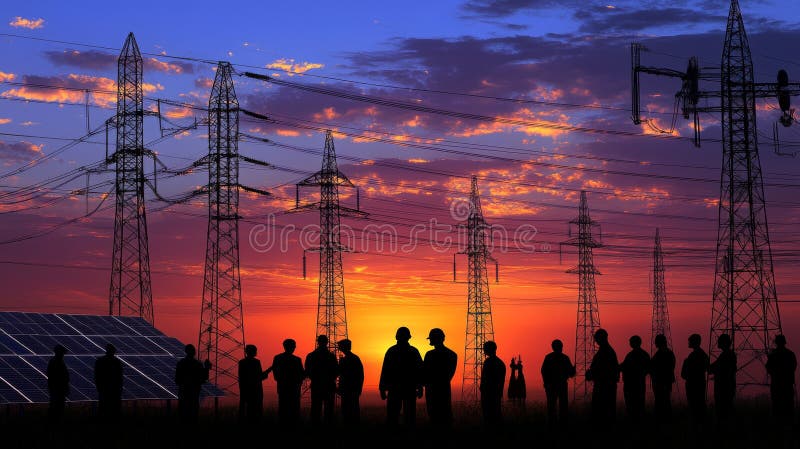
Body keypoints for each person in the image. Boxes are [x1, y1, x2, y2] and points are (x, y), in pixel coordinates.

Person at [379, 326, 423, 428]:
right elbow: (420, 371)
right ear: (409, 337)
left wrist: (382, 388)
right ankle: (408, 436)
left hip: (396, 388)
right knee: (409, 416)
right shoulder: (413, 351)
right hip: (408, 388)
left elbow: (385, 370)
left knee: (393, 416)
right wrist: (420, 387)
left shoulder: (391, 351)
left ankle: (395, 436)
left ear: (397, 337)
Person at [422, 328, 457, 430]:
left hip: (432, 389)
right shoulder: (452, 355)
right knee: (445, 413)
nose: (430, 340)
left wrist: (423, 384)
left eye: (431, 338)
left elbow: (425, 373)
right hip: (444, 388)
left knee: (434, 415)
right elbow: (449, 375)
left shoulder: (429, 355)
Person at [586, 328, 619, 429]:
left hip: (604, 387)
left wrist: (591, 374)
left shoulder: (606, 352)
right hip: (606, 386)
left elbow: (603, 370)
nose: (595, 340)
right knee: (606, 411)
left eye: (597, 338)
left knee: (602, 411)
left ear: (601, 338)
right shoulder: (607, 351)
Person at [540, 339, 575, 429]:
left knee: (551, 407)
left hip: (551, 386)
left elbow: (543, 371)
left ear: (553, 347)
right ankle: (563, 426)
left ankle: (552, 426)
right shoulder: (565, 358)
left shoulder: (548, 358)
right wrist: (573, 370)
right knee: (563, 406)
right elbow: (571, 373)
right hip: (562, 385)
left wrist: (546, 383)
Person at [305, 335, 338, 427]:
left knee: (316, 408)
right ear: (327, 342)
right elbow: (336, 370)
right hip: (329, 386)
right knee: (329, 410)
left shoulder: (311, 356)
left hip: (317, 385)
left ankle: (315, 428)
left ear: (318, 342)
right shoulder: (331, 356)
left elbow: (307, 371)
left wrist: (315, 378)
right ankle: (328, 428)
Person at [271, 338, 305, 429]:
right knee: (294, 409)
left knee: (283, 408)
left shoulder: (277, 358)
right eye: (294, 346)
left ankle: (283, 426)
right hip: (294, 388)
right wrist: (299, 381)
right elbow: (302, 374)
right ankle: (293, 427)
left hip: (283, 387)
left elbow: (275, 373)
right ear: (293, 347)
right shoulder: (297, 360)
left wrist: (280, 380)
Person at [175, 344, 211, 426]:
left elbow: (177, 380)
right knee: (193, 416)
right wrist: (206, 368)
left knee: (183, 416)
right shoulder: (198, 364)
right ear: (194, 352)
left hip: (183, 393)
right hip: (194, 394)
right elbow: (204, 379)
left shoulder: (181, 363)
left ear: (186, 352)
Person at [766, 334, 797, 424]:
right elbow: (793, 367)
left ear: (776, 343)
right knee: (788, 407)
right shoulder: (790, 354)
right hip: (787, 385)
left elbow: (768, 368)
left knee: (777, 407)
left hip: (777, 385)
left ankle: (779, 428)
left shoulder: (773, 355)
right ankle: (789, 427)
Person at [681, 333, 709, 430]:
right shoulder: (703, 355)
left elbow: (684, 374)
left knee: (695, 406)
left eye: (690, 341)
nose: (688, 343)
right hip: (699, 384)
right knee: (699, 405)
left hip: (694, 385)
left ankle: (698, 426)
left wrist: (685, 364)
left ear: (694, 342)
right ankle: (701, 425)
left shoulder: (693, 356)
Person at [619, 335, 650, 424]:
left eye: (631, 342)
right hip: (639, 384)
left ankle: (635, 424)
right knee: (639, 405)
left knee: (632, 406)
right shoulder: (644, 354)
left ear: (634, 343)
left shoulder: (631, 355)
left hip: (631, 385)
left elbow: (623, 366)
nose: (630, 343)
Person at [238, 344, 271, 425]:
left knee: (246, 410)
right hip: (256, 390)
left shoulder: (242, 362)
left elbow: (242, 377)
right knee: (256, 411)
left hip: (245, 390)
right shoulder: (256, 362)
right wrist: (268, 371)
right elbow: (259, 377)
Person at [709, 333, 736, 423]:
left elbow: (715, 368)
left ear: (724, 343)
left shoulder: (726, 355)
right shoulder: (729, 354)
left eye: (719, 341)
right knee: (726, 410)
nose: (718, 343)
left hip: (724, 388)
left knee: (723, 412)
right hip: (727, 387)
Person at [337, 338, 364, 428]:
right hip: (353, 389)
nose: (338, 348)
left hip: (348, 389)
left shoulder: (347, 360)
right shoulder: (355, 358)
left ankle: (350, 428)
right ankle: (354, 427)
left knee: (348, 410)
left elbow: (342, 373)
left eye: (340, 346)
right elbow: (361, 375)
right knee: (353, 409)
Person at [650, 334, 676, 423]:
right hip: (664, 382)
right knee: (664, 401)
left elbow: (659, 368)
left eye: (656, 341)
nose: (655, 343)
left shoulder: (662, 354)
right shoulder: (668, 353)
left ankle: (662, 421)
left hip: (662, 382)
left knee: (661, 402)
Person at [94, 343, 123, 422]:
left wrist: (98, 386)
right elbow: (119, 376)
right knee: (112, 407)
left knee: (104, 406)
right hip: (112, 389)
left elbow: (97, 375)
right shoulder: (116, 362)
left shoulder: (100, 361)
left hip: (106, 388)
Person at [479, 340, 506, 428]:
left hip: (489, 393)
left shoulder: (489, 362)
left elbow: (486, 378)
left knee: (489, 415)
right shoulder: (500, 363)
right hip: (496, 393)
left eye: (484, 348)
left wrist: (483, 388)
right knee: (496, 413)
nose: (483, 350)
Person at [47, 344, 70, 426]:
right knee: (56, 406)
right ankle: (54, 423)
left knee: (58, 406)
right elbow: (53, 376)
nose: (63, 355)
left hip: (59, 388)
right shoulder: (55, 362)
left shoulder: (58, 361)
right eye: (62, 353)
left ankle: (56, 421)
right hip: (57, 389)